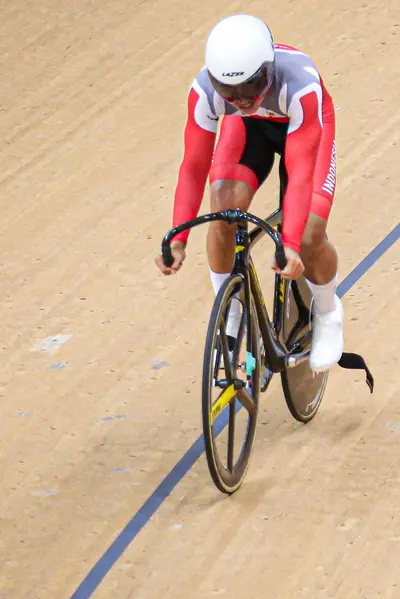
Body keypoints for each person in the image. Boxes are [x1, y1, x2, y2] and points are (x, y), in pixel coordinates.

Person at [155, 14, 344, 373]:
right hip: (249, 132)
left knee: (307, 233)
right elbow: (193, 167)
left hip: (302, 128)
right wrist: (178, 237)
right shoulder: (205, 93)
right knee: (223, 213)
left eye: (250, 87)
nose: (240, 99)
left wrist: (289, 243)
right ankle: (231, 315)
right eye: (229, 92)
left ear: (268, 71)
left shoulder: (300, 86)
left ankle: (328, 310)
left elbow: (302, 170)